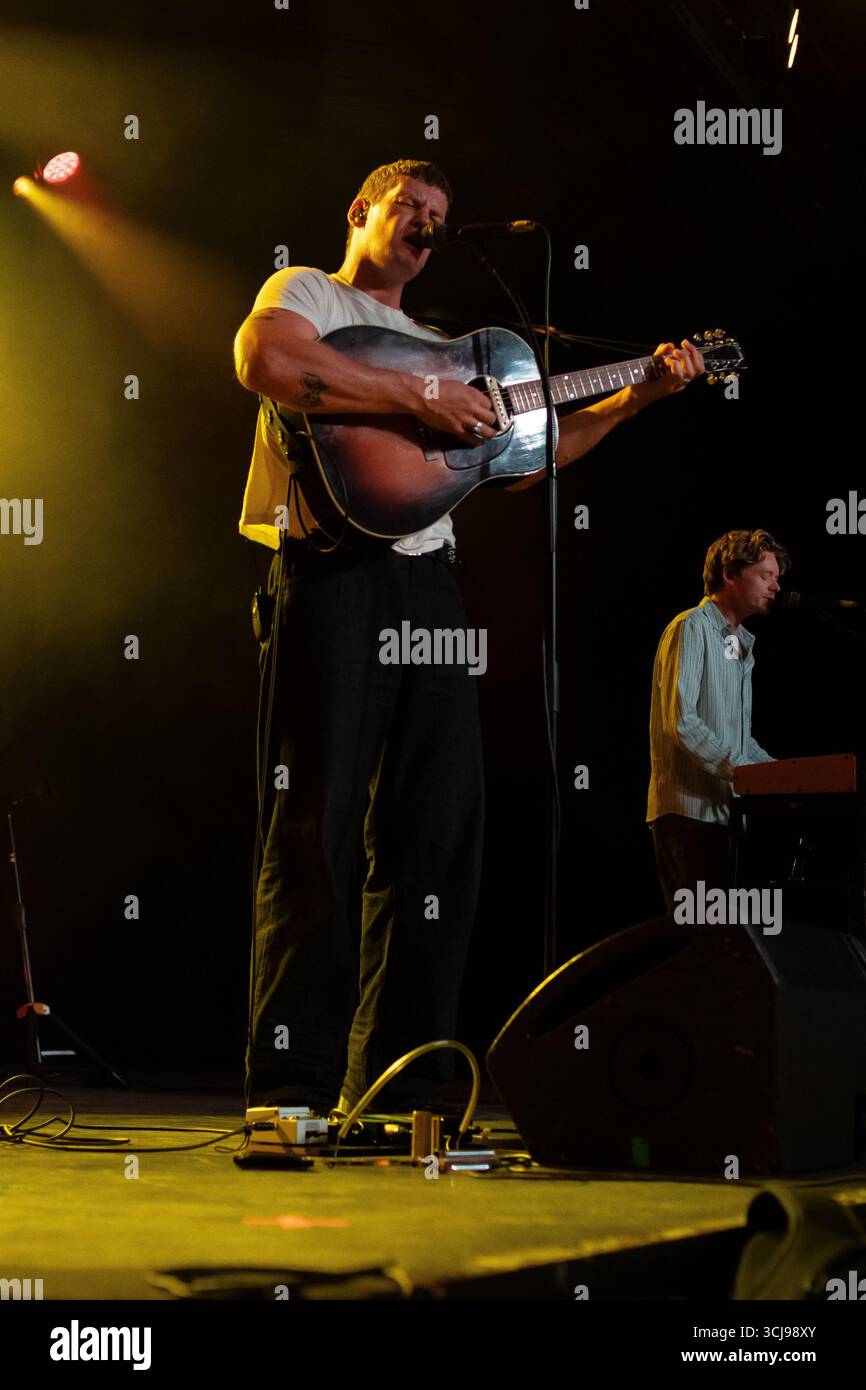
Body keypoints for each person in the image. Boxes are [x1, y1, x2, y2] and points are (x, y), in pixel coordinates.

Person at [233, 157, 704, 1117]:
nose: (427, 223)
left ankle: (406, 1091)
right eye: (411, 206)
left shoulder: (447, 344)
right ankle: (292, 1087)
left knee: (438, 835)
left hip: (430, 589)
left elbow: (536, 460)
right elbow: (266, 364)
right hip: (332, 575)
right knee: (316, 824)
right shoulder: (310, 293)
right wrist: (416, 401)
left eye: (441, 215)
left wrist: (643, 391)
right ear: (361, 210)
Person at [647, 528, 791, 913]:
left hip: (724, 815)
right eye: (766, 576)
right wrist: (745, 771)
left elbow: (740, 740)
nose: (776, 587)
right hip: (687, 817)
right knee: (698, 944)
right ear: (730, 573)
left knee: (728, 946)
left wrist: (785, 775)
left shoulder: (743, 644)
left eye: (777, 578)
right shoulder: (691, 627)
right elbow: (681, 721)